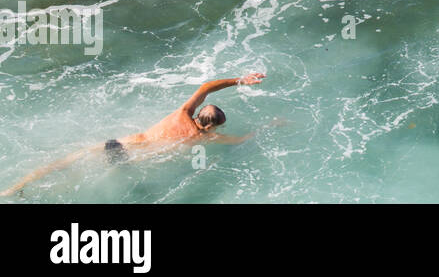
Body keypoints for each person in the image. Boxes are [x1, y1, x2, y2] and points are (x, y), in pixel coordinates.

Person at [1, 72, 266, 197]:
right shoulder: (202, 138)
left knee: (65, 164)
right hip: (128, 160)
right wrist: (266, 128)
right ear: (210, 126)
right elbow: (240, 140)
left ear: (199, 114)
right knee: (73, 184)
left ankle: (16, 187)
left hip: (118, 144)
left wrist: (240, 80)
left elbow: (207, 86)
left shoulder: (183, 112)